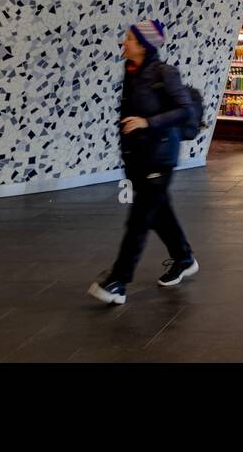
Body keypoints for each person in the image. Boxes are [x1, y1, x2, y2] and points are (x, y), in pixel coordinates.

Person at [88, 19, 199, 305]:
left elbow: (185, 110)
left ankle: (118, 281)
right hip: (139, 159)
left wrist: (147, 122)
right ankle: (184, 258)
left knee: (138, 220)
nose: (124, 43)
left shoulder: (165, 73)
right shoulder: (131, 72)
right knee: (159, 214)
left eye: (129, 39)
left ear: (144, 45)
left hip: (160, 159)